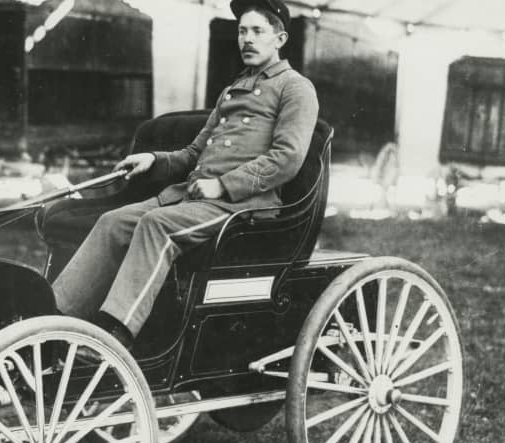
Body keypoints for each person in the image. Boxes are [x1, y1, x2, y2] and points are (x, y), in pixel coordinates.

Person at [51, 0, 319, 353]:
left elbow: (288, 158)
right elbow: (194, 153)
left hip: (244, 207)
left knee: (156, 225)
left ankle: (115, 333)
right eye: (242, 31)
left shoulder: (296, 88)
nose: (247, 39)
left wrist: (223, 185)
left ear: (280, 38)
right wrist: (153, 159)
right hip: (195, 199)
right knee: (112, 222)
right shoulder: (232, 90)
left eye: (258, 31)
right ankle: (52, 319)